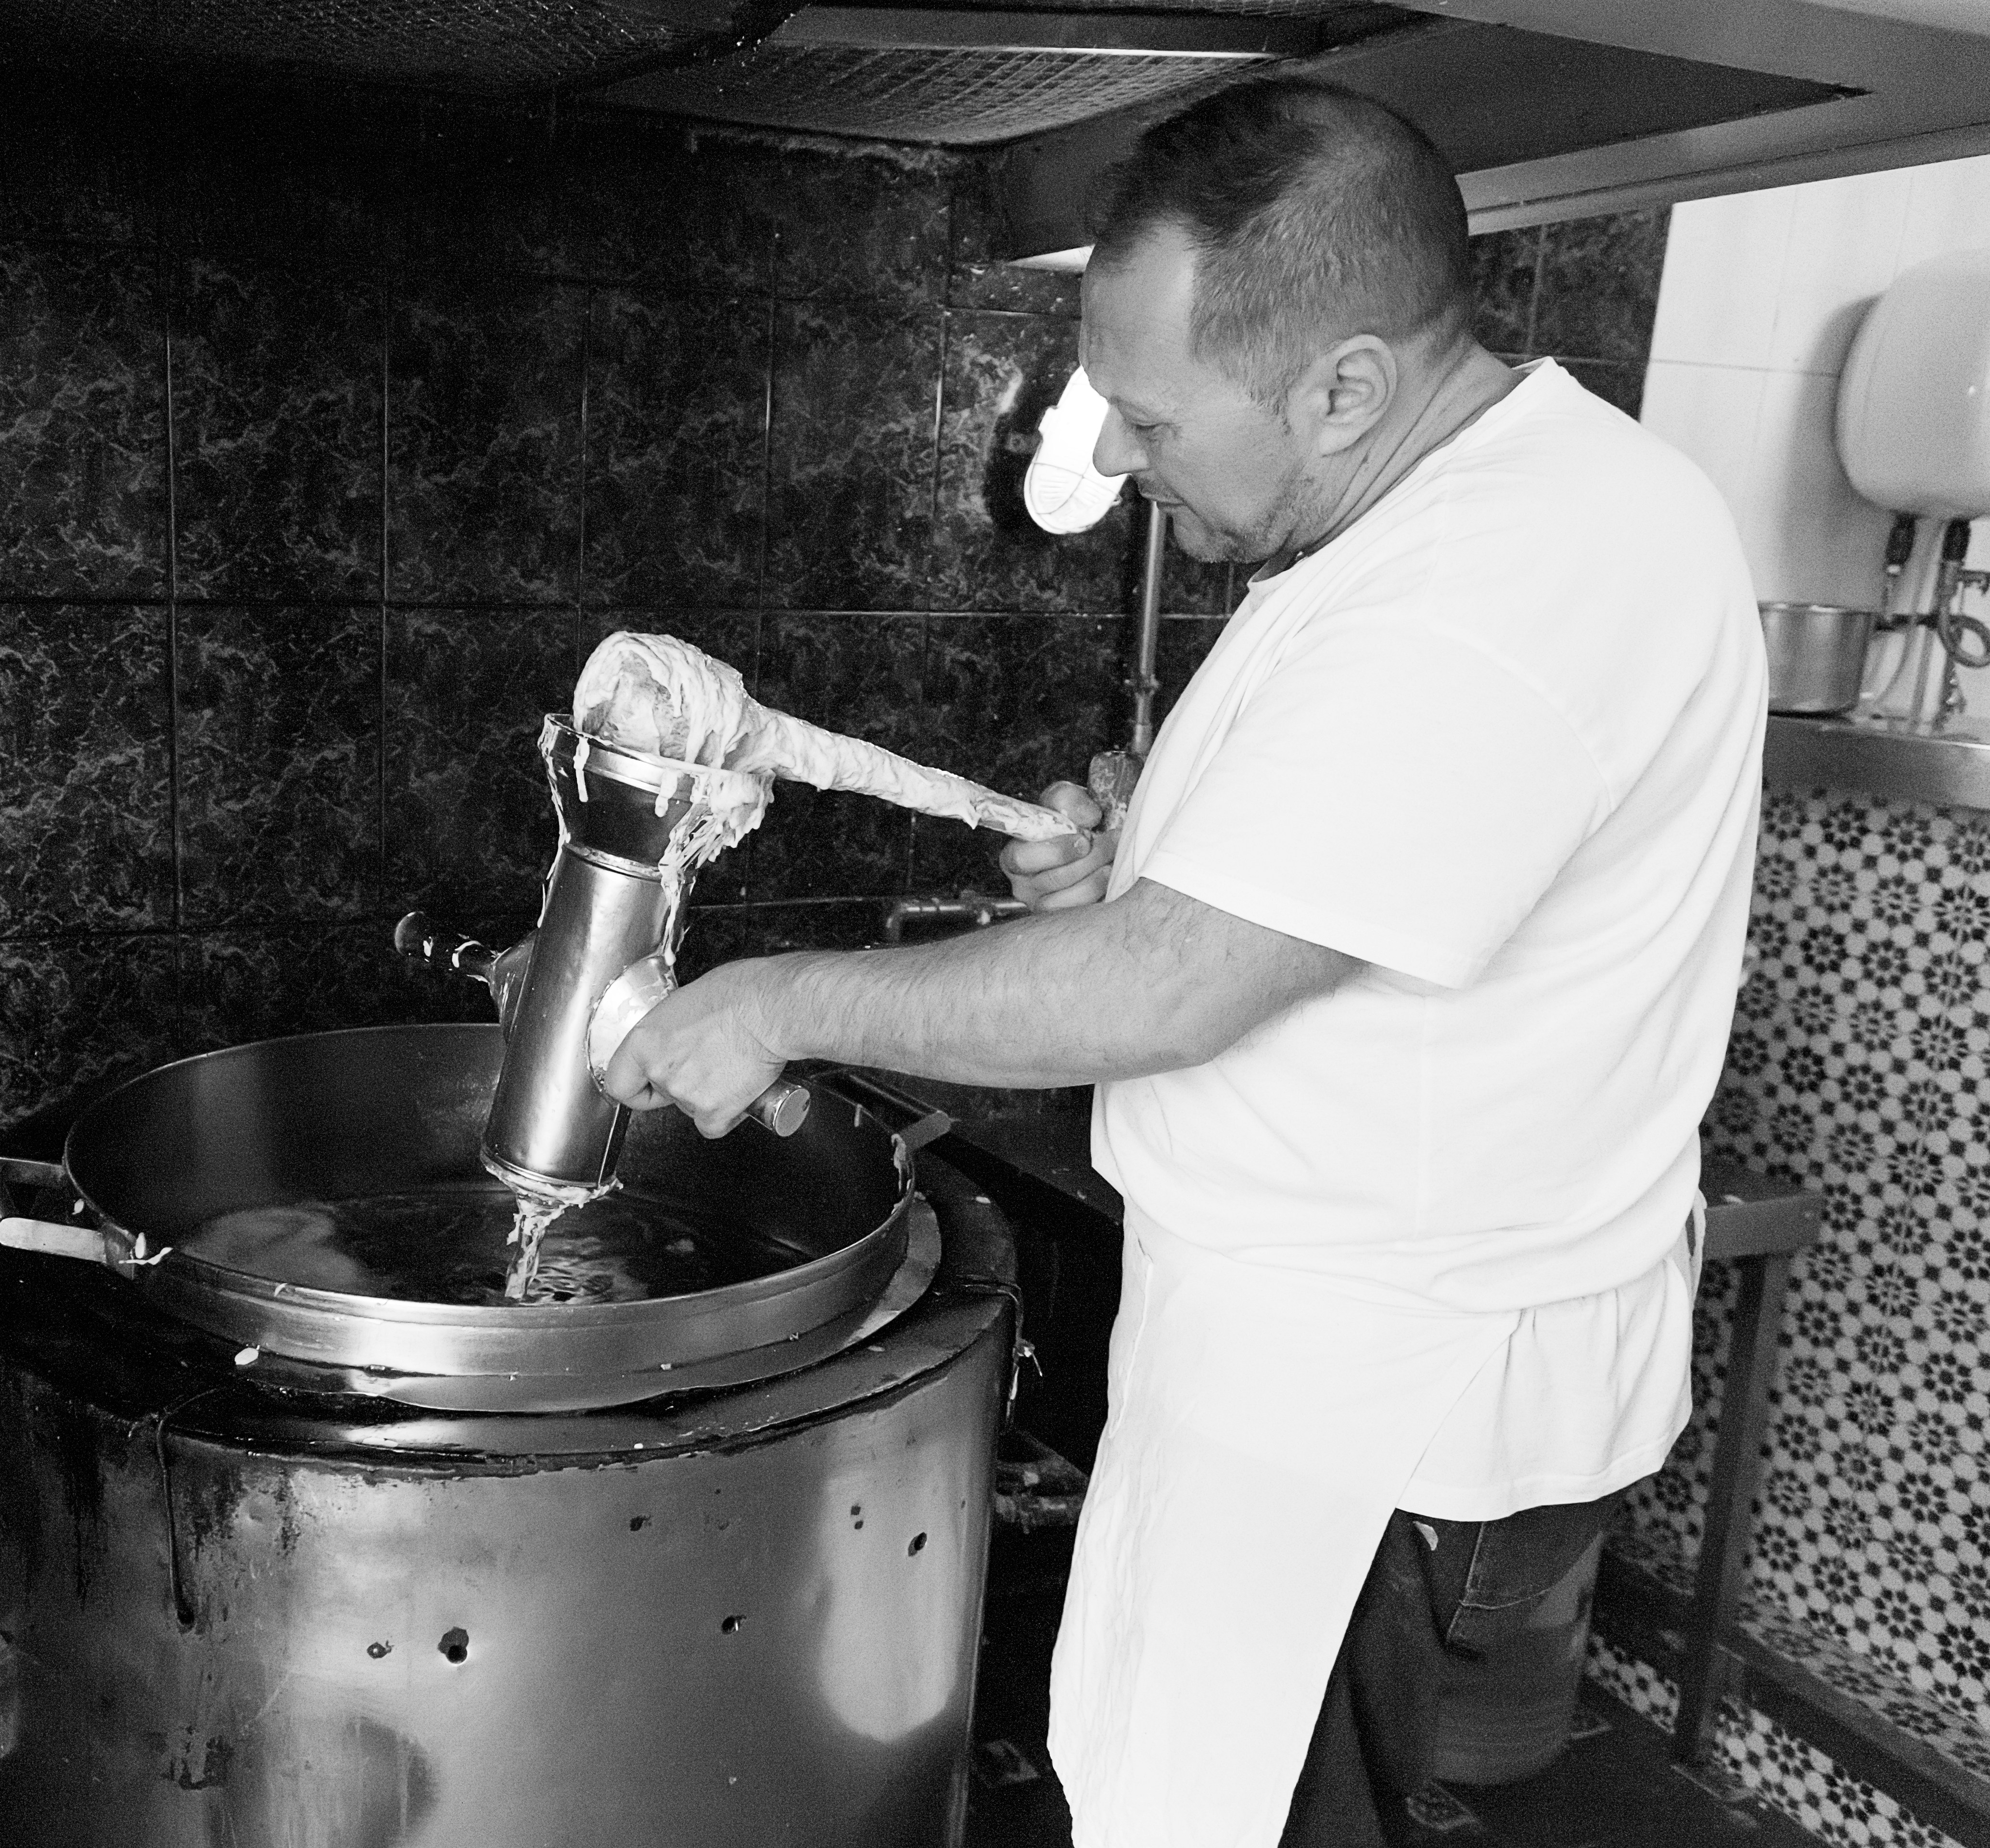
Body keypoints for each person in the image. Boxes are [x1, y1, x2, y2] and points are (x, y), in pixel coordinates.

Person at [603, 78, 1763, 1848]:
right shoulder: (1416, 516)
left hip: (1378, 1412)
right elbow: (1256, 918)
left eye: (1147, 419)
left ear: (1345, 385)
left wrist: (777, 999)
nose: (1124, 462)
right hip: (1306, 1361)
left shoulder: (1506, 574)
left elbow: (1178, 988)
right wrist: (1150, 864)